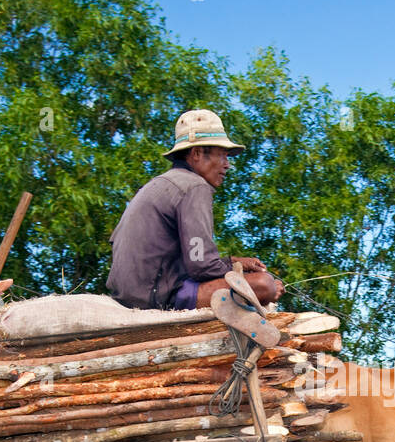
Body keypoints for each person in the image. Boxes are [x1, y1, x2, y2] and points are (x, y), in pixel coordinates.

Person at [107, 109, 284, 311]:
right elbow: (202, 266)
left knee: (256, 283)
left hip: (133, 292)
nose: (227, 165)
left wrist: (235, 262)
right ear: (197, 153)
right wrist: (246, 276)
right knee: (264, 284)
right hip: (157, 297)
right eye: (223, 156)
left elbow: (194, 258)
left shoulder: (159, 184)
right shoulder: (194, 186)